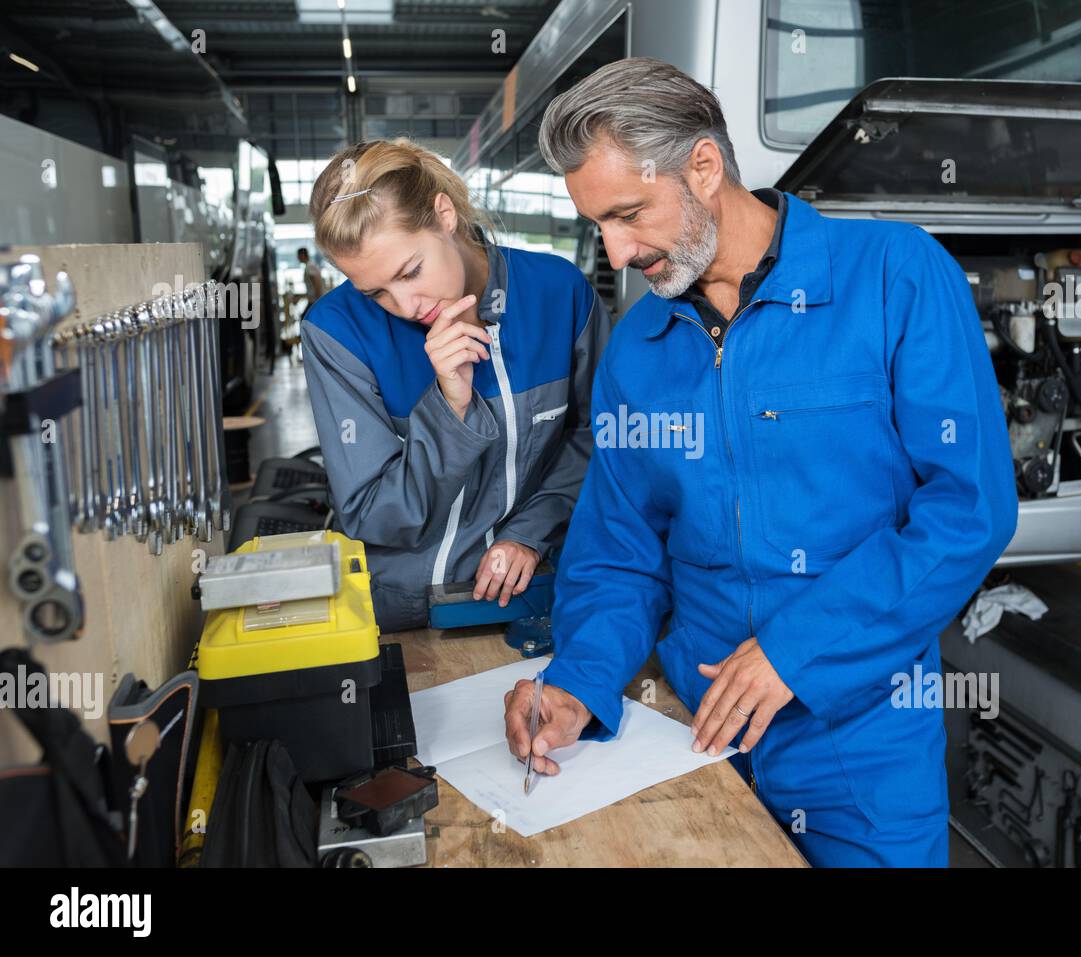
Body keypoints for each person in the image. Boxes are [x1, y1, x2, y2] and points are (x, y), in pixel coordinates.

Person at [502, 58, 1019, 867]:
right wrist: (579, 681)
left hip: (859, 746)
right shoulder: (638, 347)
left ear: (704, 166)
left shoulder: (896, 277)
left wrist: (797, 649)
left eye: (629, 213)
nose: (615, 249)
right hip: (691, 733)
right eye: (597, 222)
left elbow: (968, 510)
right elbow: (619, 552)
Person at [301, 138, 610, 632]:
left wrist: (530, 533)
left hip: (533, 599)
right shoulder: (335, 331)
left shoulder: (561, 293)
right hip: (396, 611)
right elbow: (374, 514)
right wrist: (449, 406)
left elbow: (594, 435)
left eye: (410, 272)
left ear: (444, 215)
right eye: (375, 291)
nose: (404, 305)